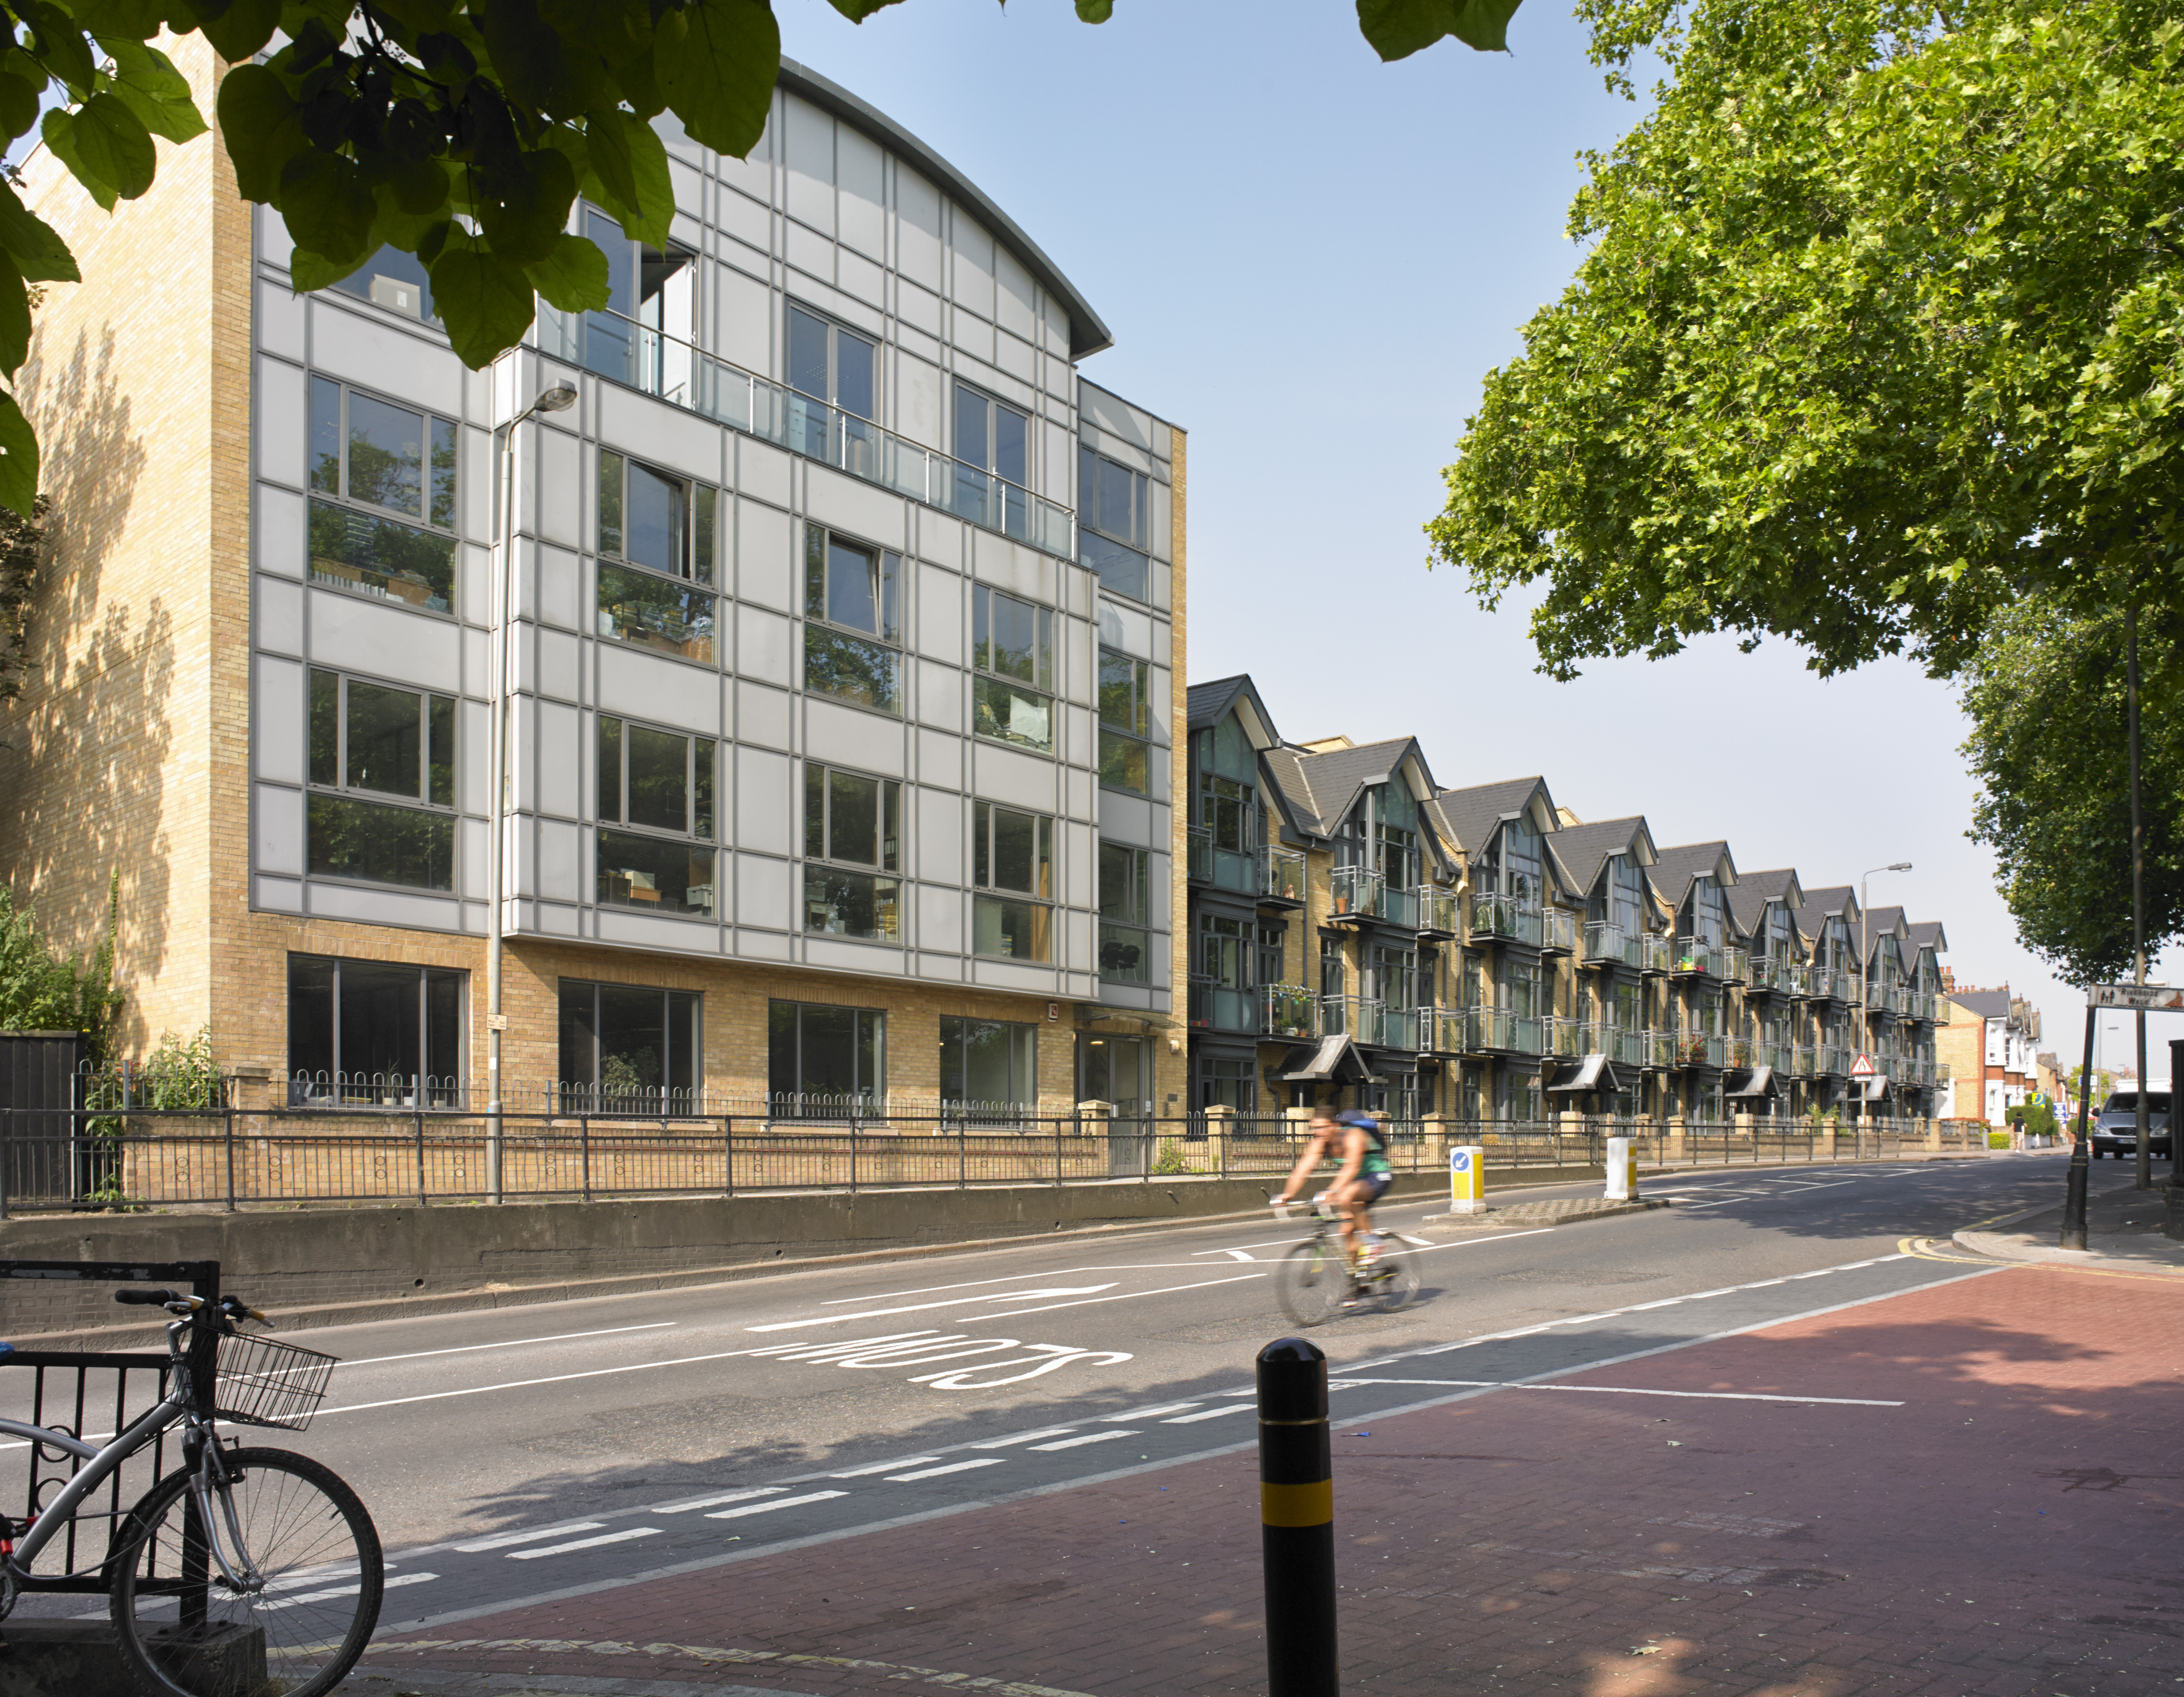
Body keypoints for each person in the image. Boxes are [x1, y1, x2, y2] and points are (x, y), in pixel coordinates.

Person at [1272, 1106, 1393, 1264]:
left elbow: (1353, 1167)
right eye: (1314, 1128)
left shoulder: (1353, 1136)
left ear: (1335, 1126)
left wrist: (1331, 1191)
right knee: (1346, 1231)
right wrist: (1287, 1195)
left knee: (1346, 1195)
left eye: (1322, 1128)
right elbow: (1301, 1170)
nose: (1317, 1132)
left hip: (1378, 1176)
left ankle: (1373, 1242)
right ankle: (1360, 1281)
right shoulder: (1319, 1144)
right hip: (1356, 1181)